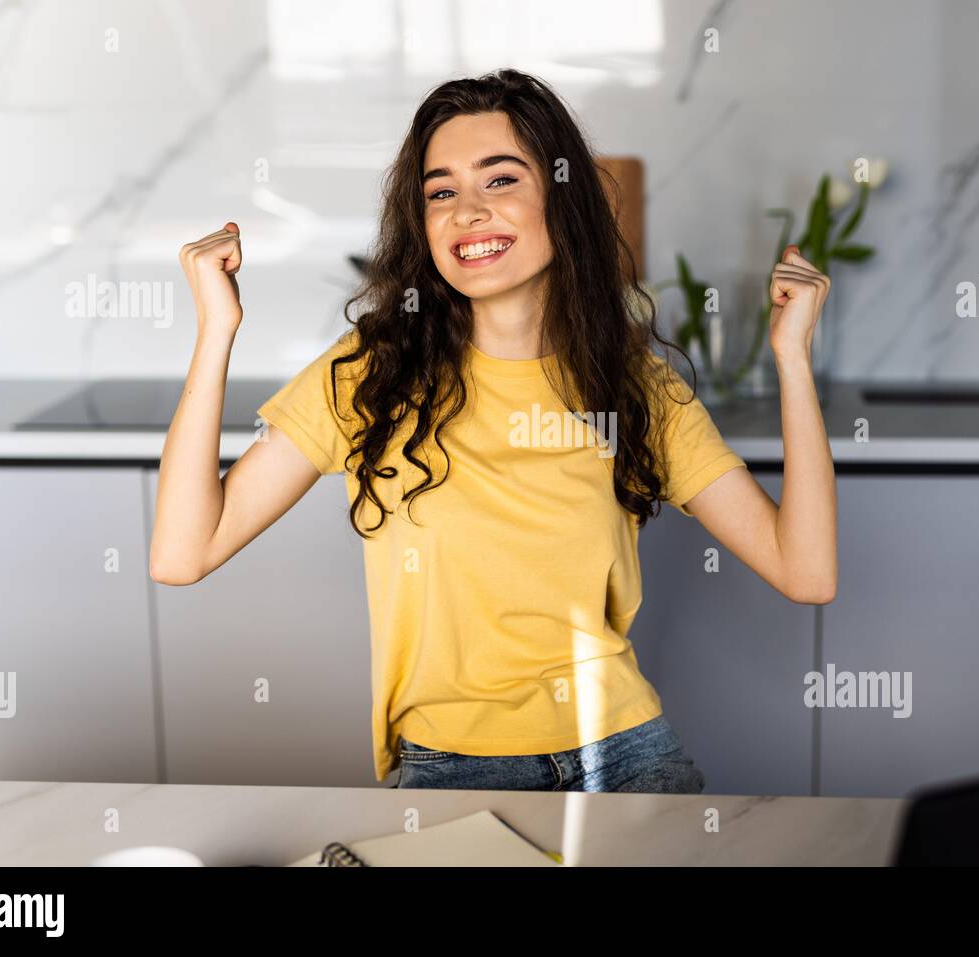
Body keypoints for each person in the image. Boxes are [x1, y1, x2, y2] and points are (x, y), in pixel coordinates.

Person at [151, 69, 837, 793]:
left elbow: (806, 570)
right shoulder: (369, 375)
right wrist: (216, 331)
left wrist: (793, 360)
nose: (467, 212)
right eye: (441, 191)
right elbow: (183, 551)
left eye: (500, 180)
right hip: (445, 767)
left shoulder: (636, 388)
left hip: (624, 753)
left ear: (560, 198)